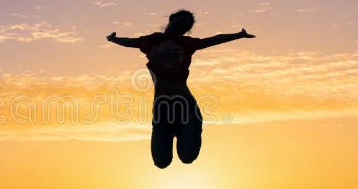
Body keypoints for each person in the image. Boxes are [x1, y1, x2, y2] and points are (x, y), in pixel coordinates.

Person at [107, 10, 255, 168]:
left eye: (186, 26)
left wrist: (238, 35)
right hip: (162, 108)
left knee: (187, 156)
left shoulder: (187, 44)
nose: (181, 26)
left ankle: (193, 124)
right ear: (171, 19)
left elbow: (214, 40)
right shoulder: (152, 40)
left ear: (186, 30)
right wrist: (114, 39)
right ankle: (174, 130)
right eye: (180, 21)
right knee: (161, 162)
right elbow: (130, 42)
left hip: (185, 105)